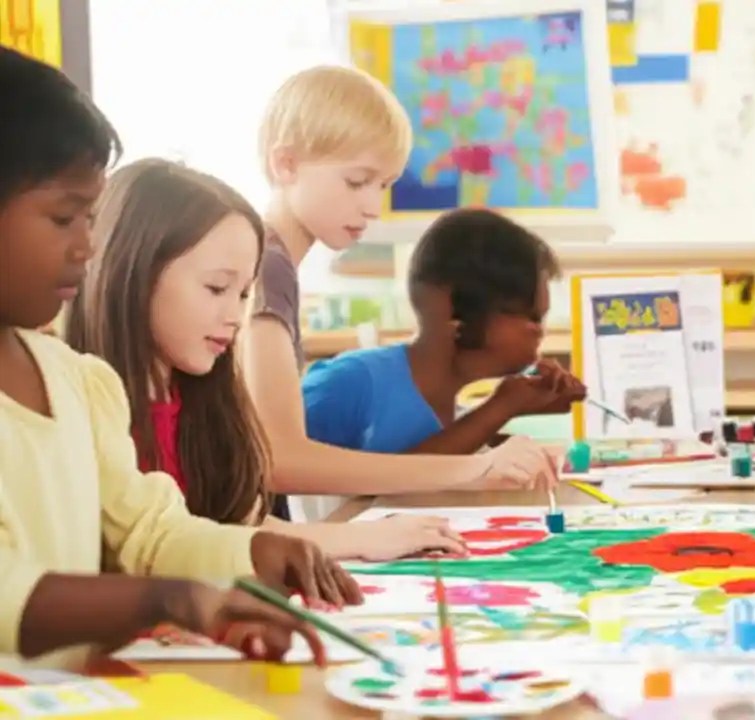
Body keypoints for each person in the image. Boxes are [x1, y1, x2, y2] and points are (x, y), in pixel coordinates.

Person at [0, 46, 357, 670]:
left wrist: (255, 552)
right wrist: (174, 599)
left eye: (90, 216)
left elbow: (152, 534)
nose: (87, 247)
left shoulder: (77, 383)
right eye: (63, 217)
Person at [64, 158, 467, 561]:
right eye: (216, 287)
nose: (235, 316)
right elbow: (177, 546)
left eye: (243, 295)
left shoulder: (203, 404)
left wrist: (370, 537)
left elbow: (242, 524)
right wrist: (357, 540)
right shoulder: (82, 415)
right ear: (133, 272)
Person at [243, 65, 559, 521]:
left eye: (384, 186)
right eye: (356, 181)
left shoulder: (277, 266)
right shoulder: (265, 266)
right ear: (285, 164)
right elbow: (280, 460)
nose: (372, 206)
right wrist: (471, 469)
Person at [303, 208, 585, 455]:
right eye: (531, 316)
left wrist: (515, 407)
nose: (539, 332)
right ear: (449, 304)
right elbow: (396, 481)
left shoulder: (449, 408)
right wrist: (502, 406)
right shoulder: (348, 384)